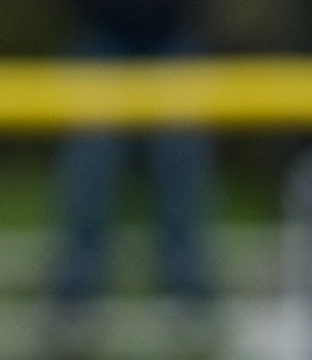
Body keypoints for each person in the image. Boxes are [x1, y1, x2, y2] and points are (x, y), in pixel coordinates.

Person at [53, 0, 213, 316]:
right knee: (90, 168)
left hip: (173, 33)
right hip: (103, 33)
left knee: (179, 165)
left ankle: (189, 298)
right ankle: (73, 302)